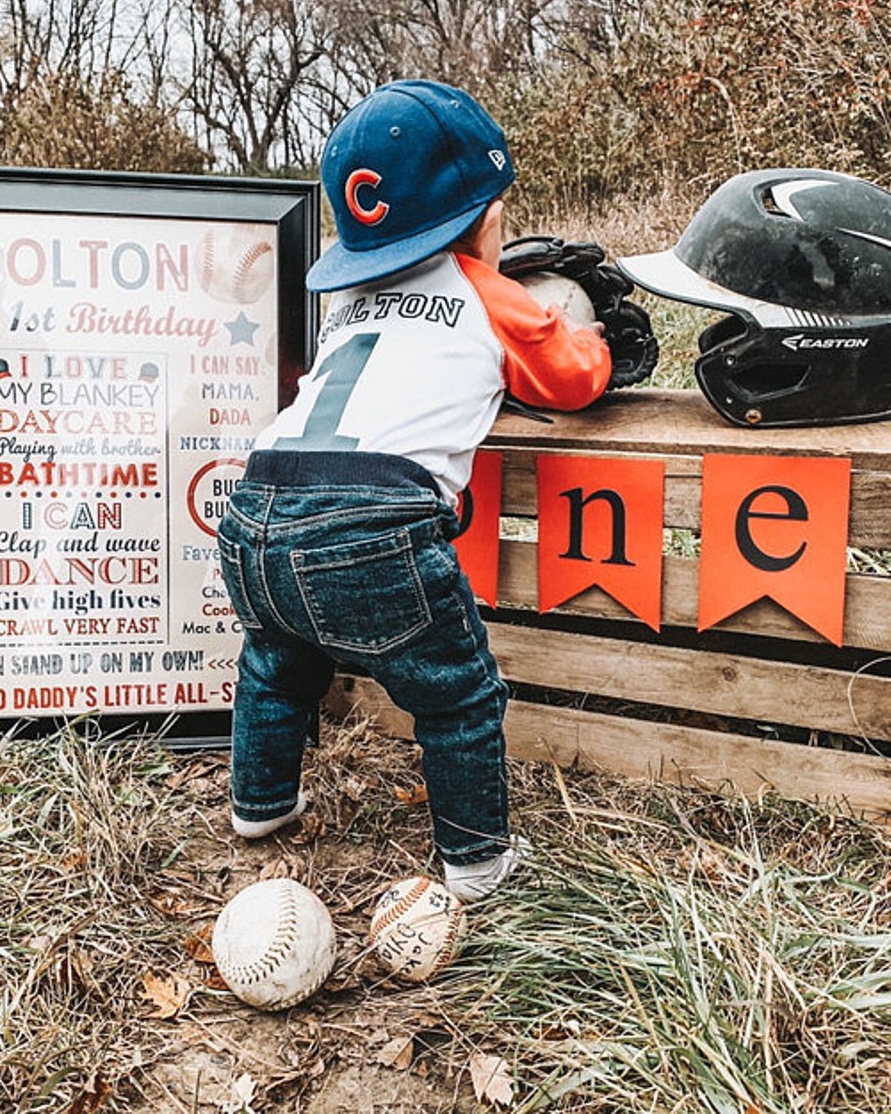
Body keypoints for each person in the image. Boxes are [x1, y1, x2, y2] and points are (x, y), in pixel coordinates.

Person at [217, 79, 612, 901]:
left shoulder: (349, 304)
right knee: (457, 693)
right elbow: (572, 380)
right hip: (371, 523)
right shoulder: (492, 295)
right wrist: (589, 334)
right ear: (486, 219)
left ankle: (259, 801)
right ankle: (475, 861)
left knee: (275, 661)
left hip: (255, 508)